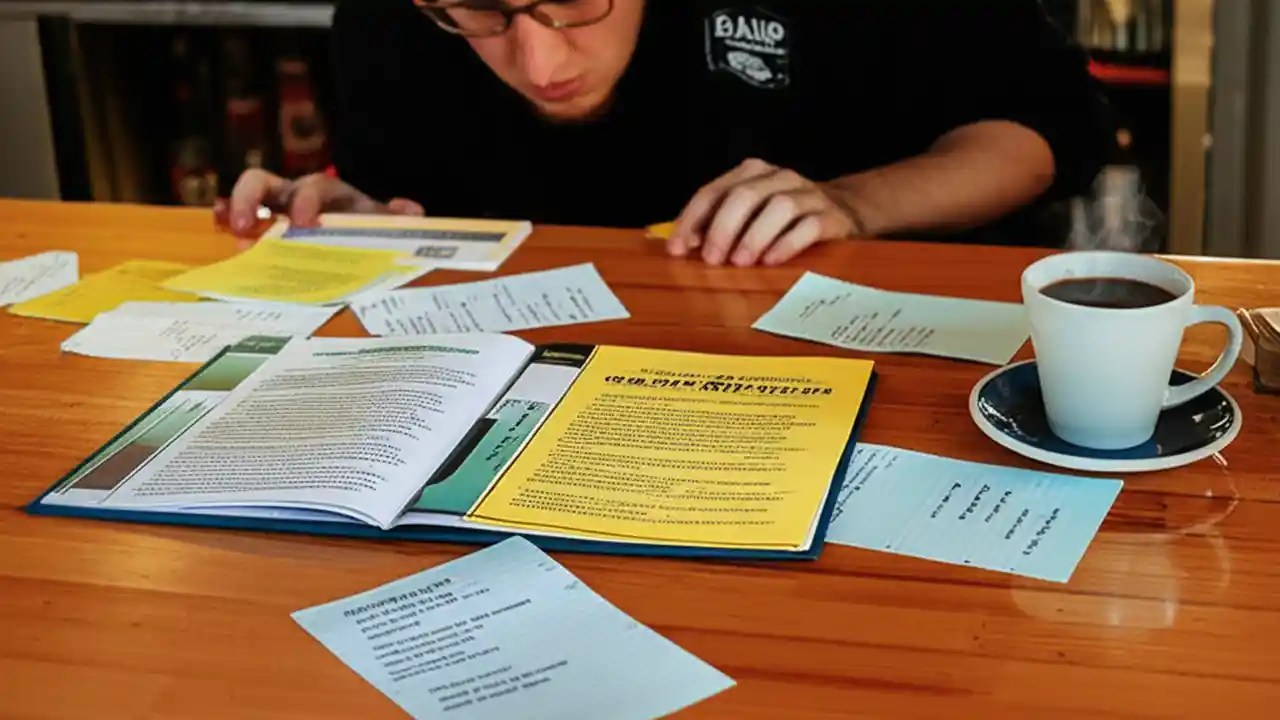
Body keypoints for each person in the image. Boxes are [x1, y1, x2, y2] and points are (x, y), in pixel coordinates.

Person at [218, 0, 1115, 266]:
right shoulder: (394, 18)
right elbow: (416, 195)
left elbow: (1048, 129)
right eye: (480, 13)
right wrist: (359, 215)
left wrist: (851, 203)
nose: (538, 61)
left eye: (571, 2)